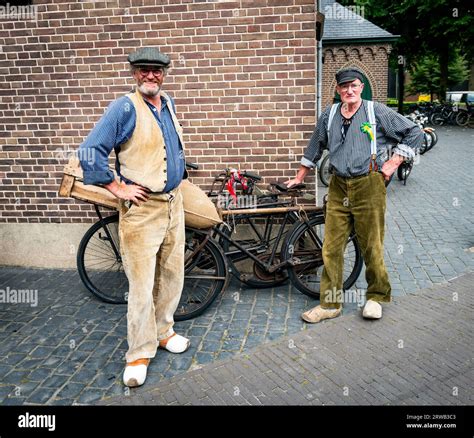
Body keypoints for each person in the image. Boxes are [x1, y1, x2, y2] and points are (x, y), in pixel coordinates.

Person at [78, 47, 190, 387]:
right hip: (142, 210)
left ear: (165, 73)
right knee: (141, 286)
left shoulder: (167, 103)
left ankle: (163, 331)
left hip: (173, 204)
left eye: (156, 70)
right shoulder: (125, 107)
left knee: (172, 274)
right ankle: (139, 353)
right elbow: (89, 150)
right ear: (133, 73)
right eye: (143, 70)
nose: (150, 76)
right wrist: (116, 186)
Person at [286, 67, 423, 324]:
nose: (349, 90)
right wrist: (300, 176)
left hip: (369, 184)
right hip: (338, 186)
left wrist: (393, 163)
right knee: (332, 247)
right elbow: (315, 144)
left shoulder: (376, 111)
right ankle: (330, 303)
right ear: (338, 90)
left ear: (361, 88)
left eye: (354, 86)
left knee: (371, 245)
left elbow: (414, 132)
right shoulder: (329, 115)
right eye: (344, 86)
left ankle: (376, 297)